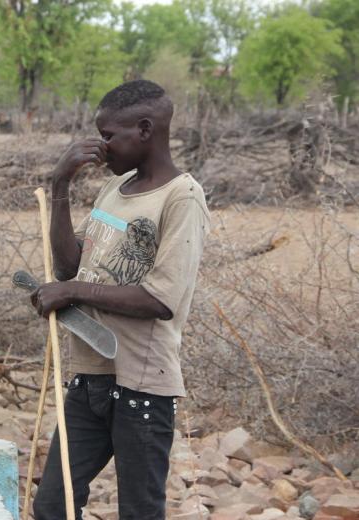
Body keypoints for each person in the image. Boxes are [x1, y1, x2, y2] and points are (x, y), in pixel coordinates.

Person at [30, 79, 210, 520]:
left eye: (109, 135)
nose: (101, 147)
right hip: (90, 378)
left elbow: (160, 299)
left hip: (142, 385)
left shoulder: (182, 197)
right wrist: (59, 185)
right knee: (53, 505)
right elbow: (71, 267)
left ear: (145, 129)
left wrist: (71, 291)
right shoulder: (116, 188)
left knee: (139, 511)